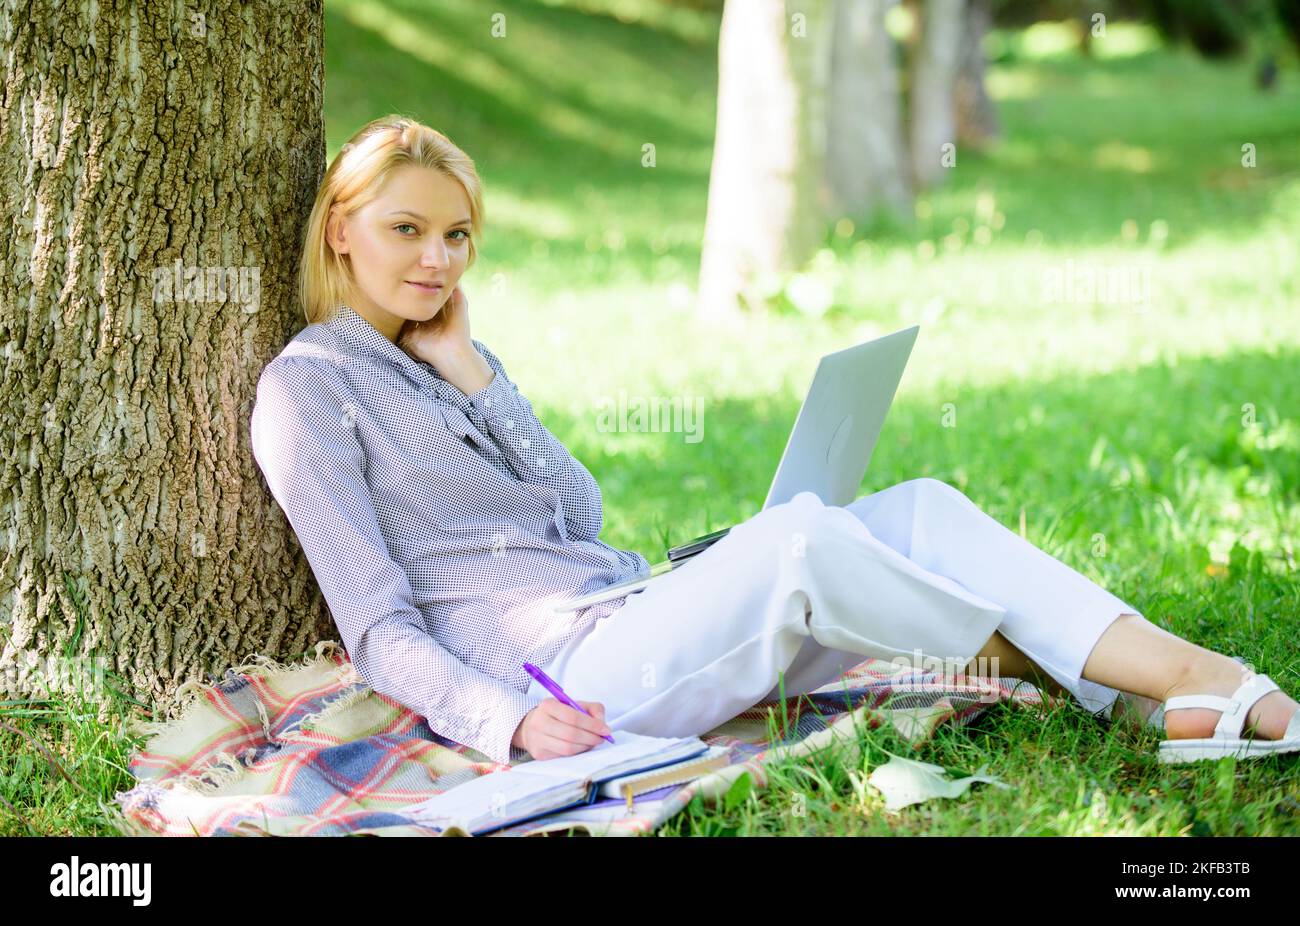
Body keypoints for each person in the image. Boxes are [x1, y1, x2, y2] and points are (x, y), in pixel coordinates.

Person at [249, 114, 1300, 767]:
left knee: (919, 506)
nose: (439, 258)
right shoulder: (309, 389)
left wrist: (476, 373)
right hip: (568, 679)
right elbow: (377, 625)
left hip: (638, 609)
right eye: (407, 229)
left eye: (458, 234)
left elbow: (580, 516)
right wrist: (505, 723)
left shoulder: (448, 356)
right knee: (801, 537)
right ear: (340, 227)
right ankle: (1189, 678)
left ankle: (1168, 686)